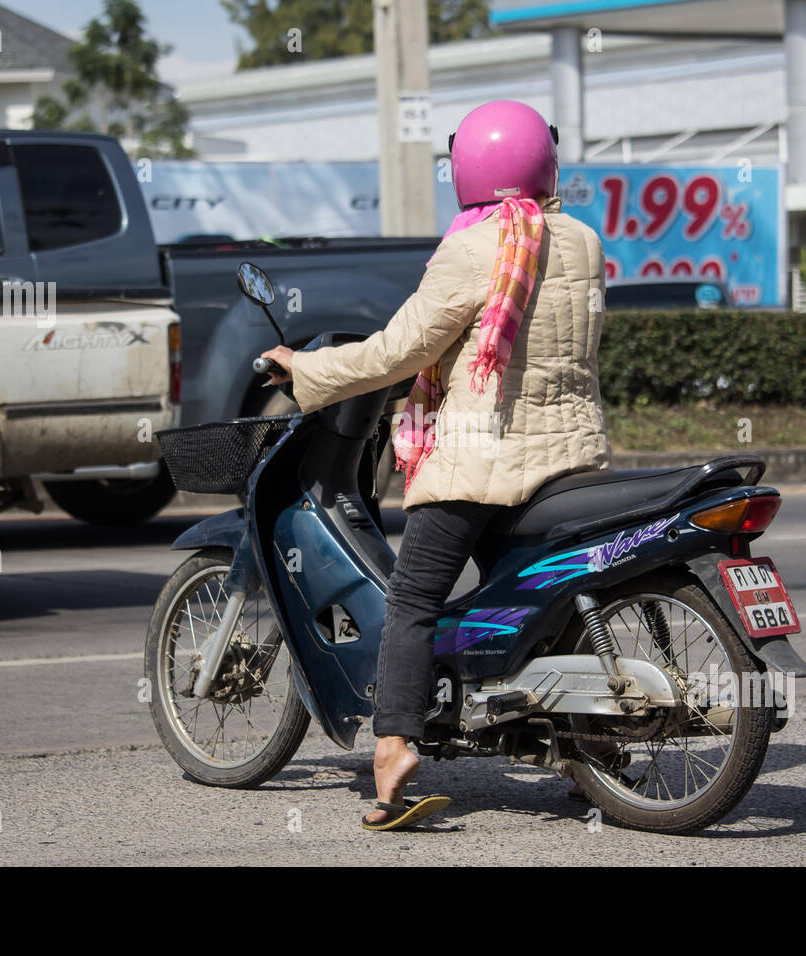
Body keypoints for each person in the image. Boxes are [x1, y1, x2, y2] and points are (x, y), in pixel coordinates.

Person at [259, 100, 611, 831]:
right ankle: (589, 752)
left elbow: (399, 351)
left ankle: (392, 753)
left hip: (482, 458)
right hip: (573, 455)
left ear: (469, 171)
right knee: (546, 598)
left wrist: (306, 368)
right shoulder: (582, 241)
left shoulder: (474, 248)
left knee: (414, 597)